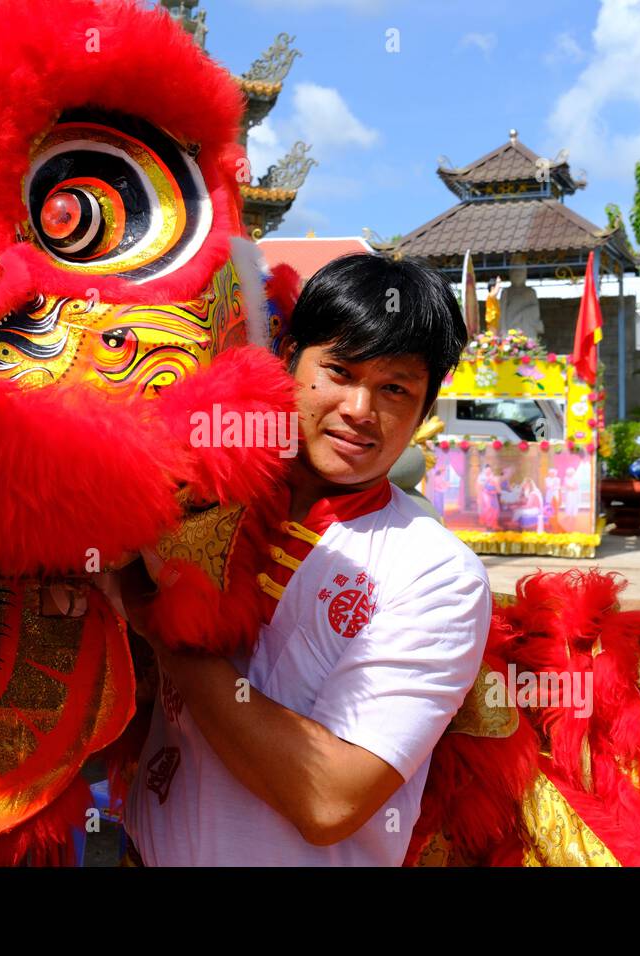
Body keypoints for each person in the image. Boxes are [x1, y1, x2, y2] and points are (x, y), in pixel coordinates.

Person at [121, 253, 492, 866]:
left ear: (423, 412)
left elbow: (328, 799)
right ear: (289, 358)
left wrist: (160, 623)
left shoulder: (435, 574)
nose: (359, 410)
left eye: (395, 389)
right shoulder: (203, 494)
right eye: (340, 371)